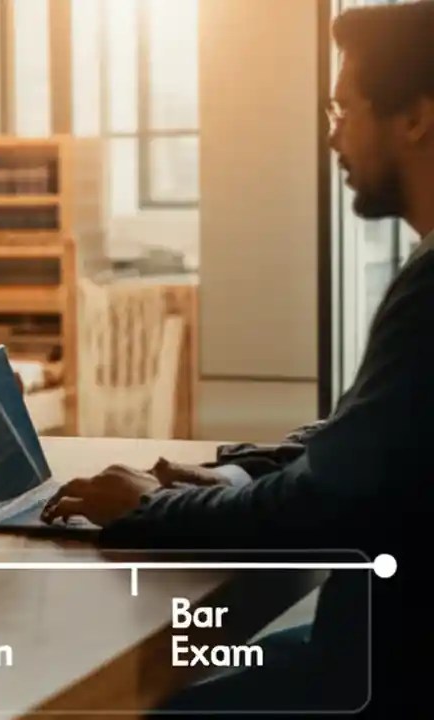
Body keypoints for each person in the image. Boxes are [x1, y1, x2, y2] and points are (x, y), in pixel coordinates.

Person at [43, 2, 431, 714]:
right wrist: (231, 469)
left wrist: (155, 509)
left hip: (382, 679)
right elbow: (361, 447)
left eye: (345, 108)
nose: (332, 135)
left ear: (415, 117)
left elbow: (325, 503)